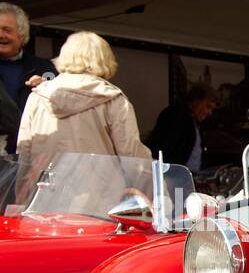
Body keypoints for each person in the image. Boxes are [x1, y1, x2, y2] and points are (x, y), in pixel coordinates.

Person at [15, 31, 150, 204]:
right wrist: (159, 199)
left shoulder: (38, 96)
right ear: (105, 60)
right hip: (98, 204)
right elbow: (133, 158)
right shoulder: (113, 99)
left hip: (44, 200)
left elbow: (24, 153)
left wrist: (21, 200)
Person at [0, 2, 56, 155]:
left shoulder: (45, 69)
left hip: (30, 156)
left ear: (22, 34)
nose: (0, 35)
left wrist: (48, 89)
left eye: (6, 30)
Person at [148, 83, 216, 171]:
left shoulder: (192, 120)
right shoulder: (175, 115)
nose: (210, 112)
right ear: (196, 100)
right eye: (208, 106)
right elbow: (164, 150)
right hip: (176, 178)